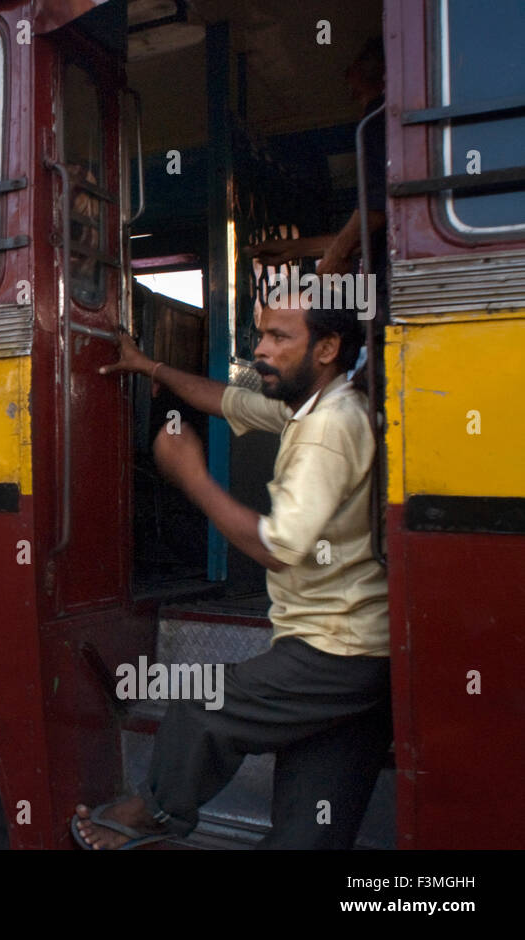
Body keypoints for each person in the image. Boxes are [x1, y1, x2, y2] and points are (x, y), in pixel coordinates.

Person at [72, 295, 390, 850]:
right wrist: (149, 368)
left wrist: (191, 475)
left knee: (201, 706)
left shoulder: (326, 429)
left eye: (278, 338)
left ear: (328, 348)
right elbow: (227, 400)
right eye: (261, 334)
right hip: (363, 656)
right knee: (309, 832)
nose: (260, 350)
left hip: (336, 653)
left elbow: (277, 547)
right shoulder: (317, 404)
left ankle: (156, 813)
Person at [248, 38, 386, 283]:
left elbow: (374, 210)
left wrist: (334, 256)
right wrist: (296, 248)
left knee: (276, 313)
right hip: (380, 284)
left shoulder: (377, 121)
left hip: (382, 289)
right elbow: (361, 238)